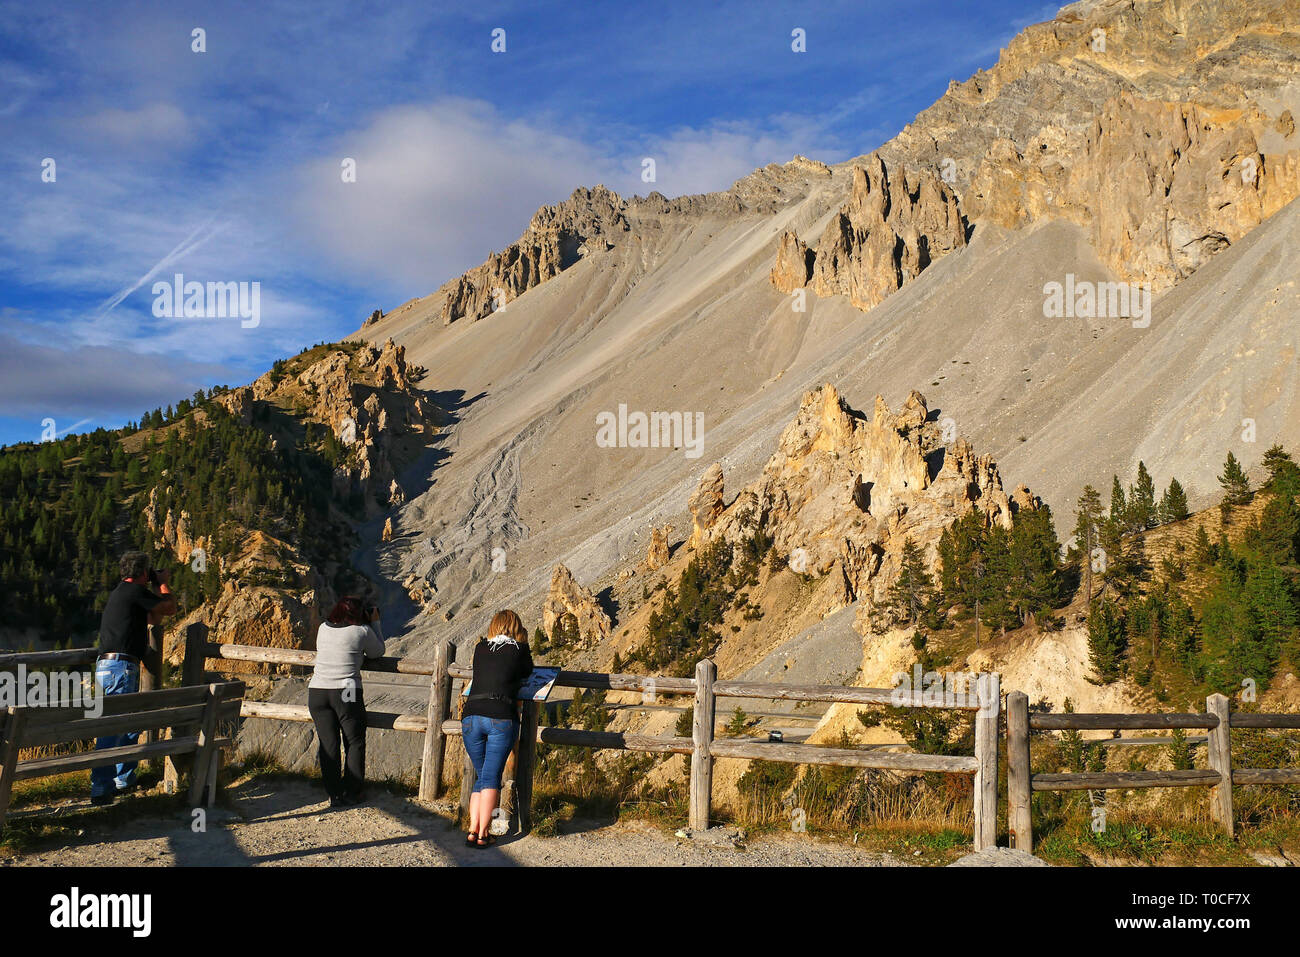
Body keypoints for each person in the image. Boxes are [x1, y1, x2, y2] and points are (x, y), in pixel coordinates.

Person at [91, 550, 178, 805]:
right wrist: (161, 582)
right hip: (120, 668)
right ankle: (101, 789)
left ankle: (122, 780)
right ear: (142, 573)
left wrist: (152, 586)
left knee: (128, 725)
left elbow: (155, 617)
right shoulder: (134, 592)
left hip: (109, 667)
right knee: (112, 728)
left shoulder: (124, 593)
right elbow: (170, 608)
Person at [462, 609, 533, 848]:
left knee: (482, 777)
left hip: (471, 717)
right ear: (516, 627)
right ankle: (483, 833)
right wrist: (524, 642)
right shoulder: (519, 649)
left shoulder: (480, 647)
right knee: (491, 778)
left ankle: (472, 829)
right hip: (500, 717)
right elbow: (527, 671)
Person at [307, 596, 385, 808]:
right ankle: (352, 792)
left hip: (317, 690)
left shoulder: (323, 628)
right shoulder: (361, 631)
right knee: (354, 741)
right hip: (346, 691)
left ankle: (334, 794)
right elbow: (378, 651)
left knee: (329, 744)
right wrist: (375, 622)